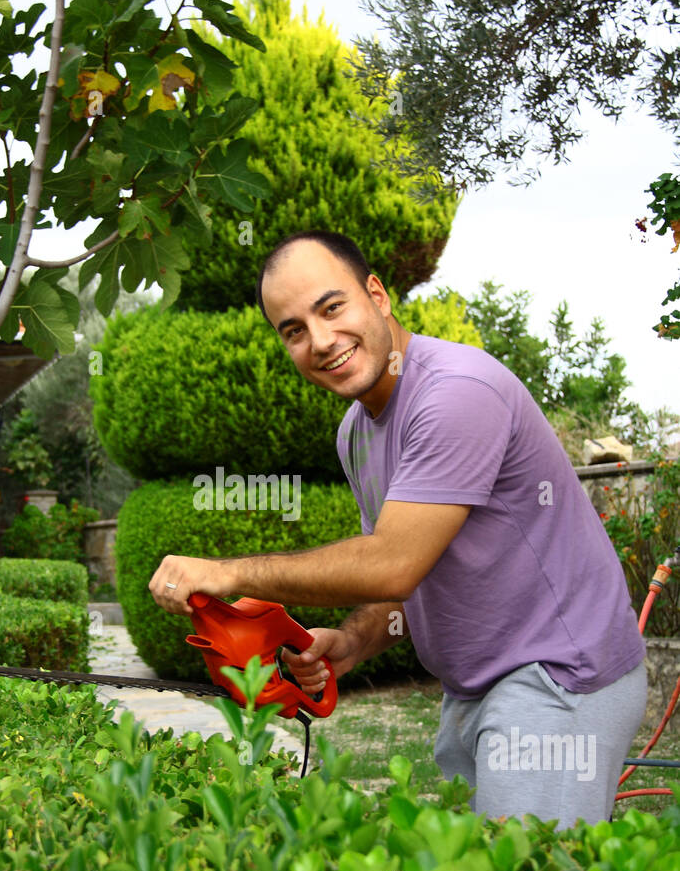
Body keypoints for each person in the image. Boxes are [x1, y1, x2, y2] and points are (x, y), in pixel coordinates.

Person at [149, 230, 647, 828]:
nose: (321, 340)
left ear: (377, 296)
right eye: (294, 330)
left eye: (332, 307)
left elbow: (393, 561)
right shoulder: (356, 432)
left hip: (557, 679)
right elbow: (406, 581)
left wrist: (226, 572)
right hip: (473, 689)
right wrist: (355, 641)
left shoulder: (456, 393)